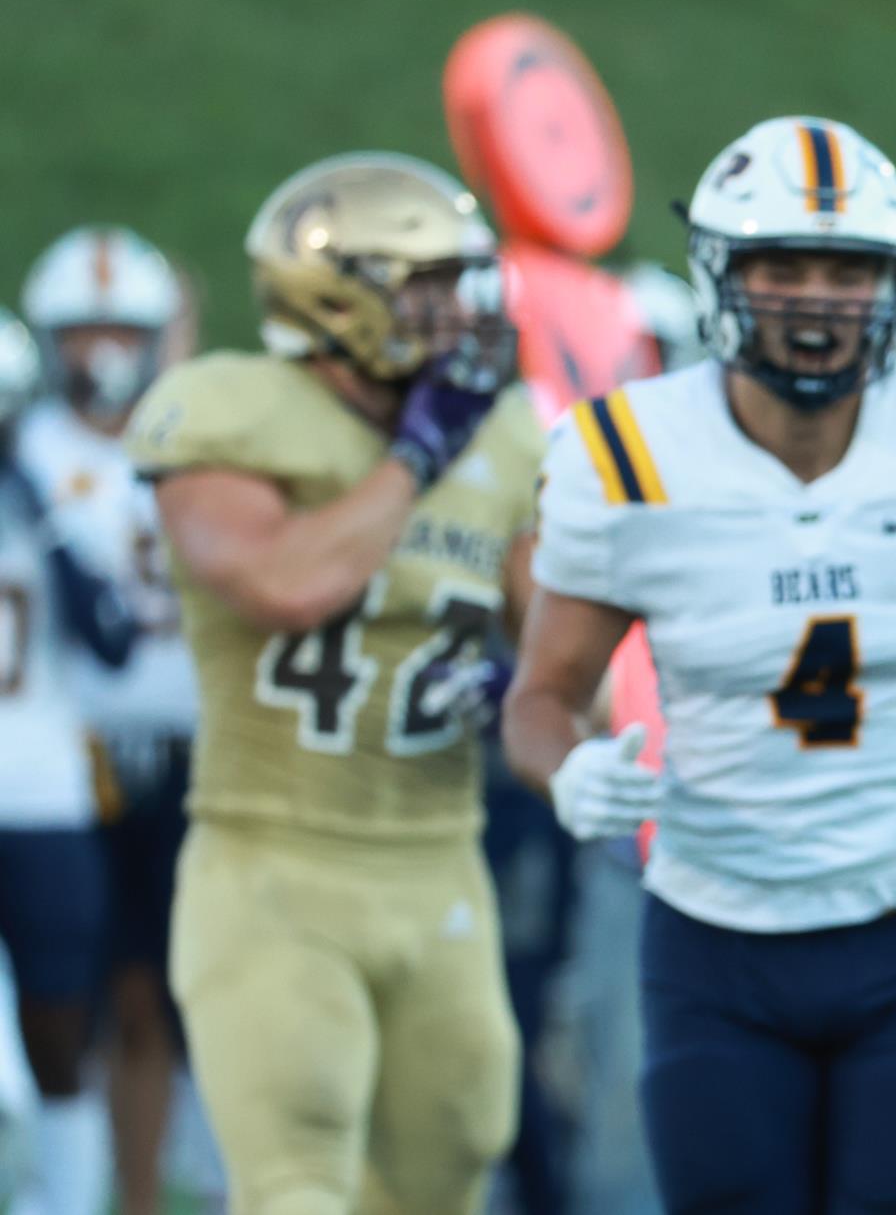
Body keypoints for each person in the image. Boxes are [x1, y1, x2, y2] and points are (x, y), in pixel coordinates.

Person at [503, 116, 896, 1214]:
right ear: (718, 277)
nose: (815, 296)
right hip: (712, 932)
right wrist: (570, 768)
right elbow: (540, 698)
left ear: (895, 286)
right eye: (781, 266)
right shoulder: (626, 453)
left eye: (846, 269)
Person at [122, 151, 543, 1214]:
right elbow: (287, 583)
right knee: (297, 1181)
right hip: (275, 858)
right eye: (427, 283)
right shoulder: (225, 407)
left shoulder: (502, 426)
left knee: (450, 1164)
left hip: (438, 859)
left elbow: (563, 660)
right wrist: (416, 456)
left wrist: (517, 681)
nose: (456, 309)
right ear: (335, 288)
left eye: (460, 281)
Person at [17, 223, 195, 1215]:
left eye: (117, 328)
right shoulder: (29, 446)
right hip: (79, 752)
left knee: (178, 996)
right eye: (78, 332)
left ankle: (177, 1188)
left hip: (191, 744)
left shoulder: (201, 433)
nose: (100, 354)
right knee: (85, 992)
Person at [0, 300, 135, 1215]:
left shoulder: (30, 503)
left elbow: (111, 638)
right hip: (40, 791)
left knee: (61, 1036)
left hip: (41, 791)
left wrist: (39, 507)